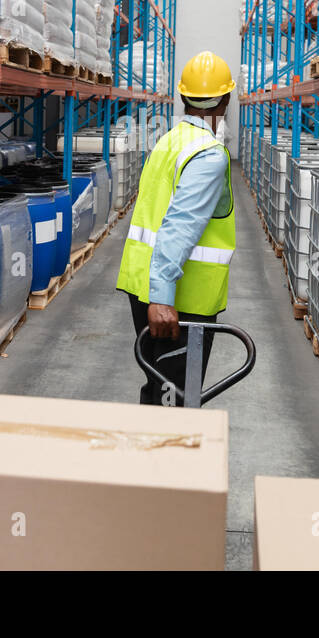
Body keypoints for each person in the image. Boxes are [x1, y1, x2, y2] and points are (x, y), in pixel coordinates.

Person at [116, 51, 238, 405]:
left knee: (158, 389)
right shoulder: (209, 154)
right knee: (176, 400)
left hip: (142, 286)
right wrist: (163, 298)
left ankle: (149, 455)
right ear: (226, 99)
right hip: (181, 303)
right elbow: (179, 226)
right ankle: (164, 460)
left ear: (183, 98)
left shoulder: (170, 140)